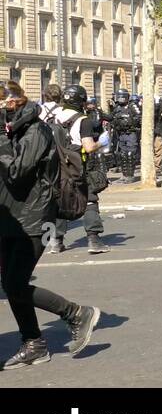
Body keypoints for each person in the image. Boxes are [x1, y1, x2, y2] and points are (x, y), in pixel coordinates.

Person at [0, 81, 101, 369]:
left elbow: (17, 171)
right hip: (11, 217)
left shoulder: (36, 131)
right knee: (10, 284)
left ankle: (76, 314)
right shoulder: (14, 131)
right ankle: (34, 343)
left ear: (10, 104)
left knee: (16, 283)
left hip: (35, 218)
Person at [50, 85, 109, 255]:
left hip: (57, 165)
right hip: (79, 165)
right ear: (81, 101)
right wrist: (102, 142)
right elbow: (89, 147)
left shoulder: (54, 117)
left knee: (60, 200)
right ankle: (94, 240)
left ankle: (57, 242)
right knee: (90, 199)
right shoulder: (83, 120)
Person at [110, 88, 141, 183]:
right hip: (121, 133)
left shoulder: (132, 106)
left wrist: (129, 122)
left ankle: (130, 176)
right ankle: (124, 175)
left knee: (130, 154)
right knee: (122, 154)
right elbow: (112, 117)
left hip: (130, 133)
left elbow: (139, 117)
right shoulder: (117, 107)